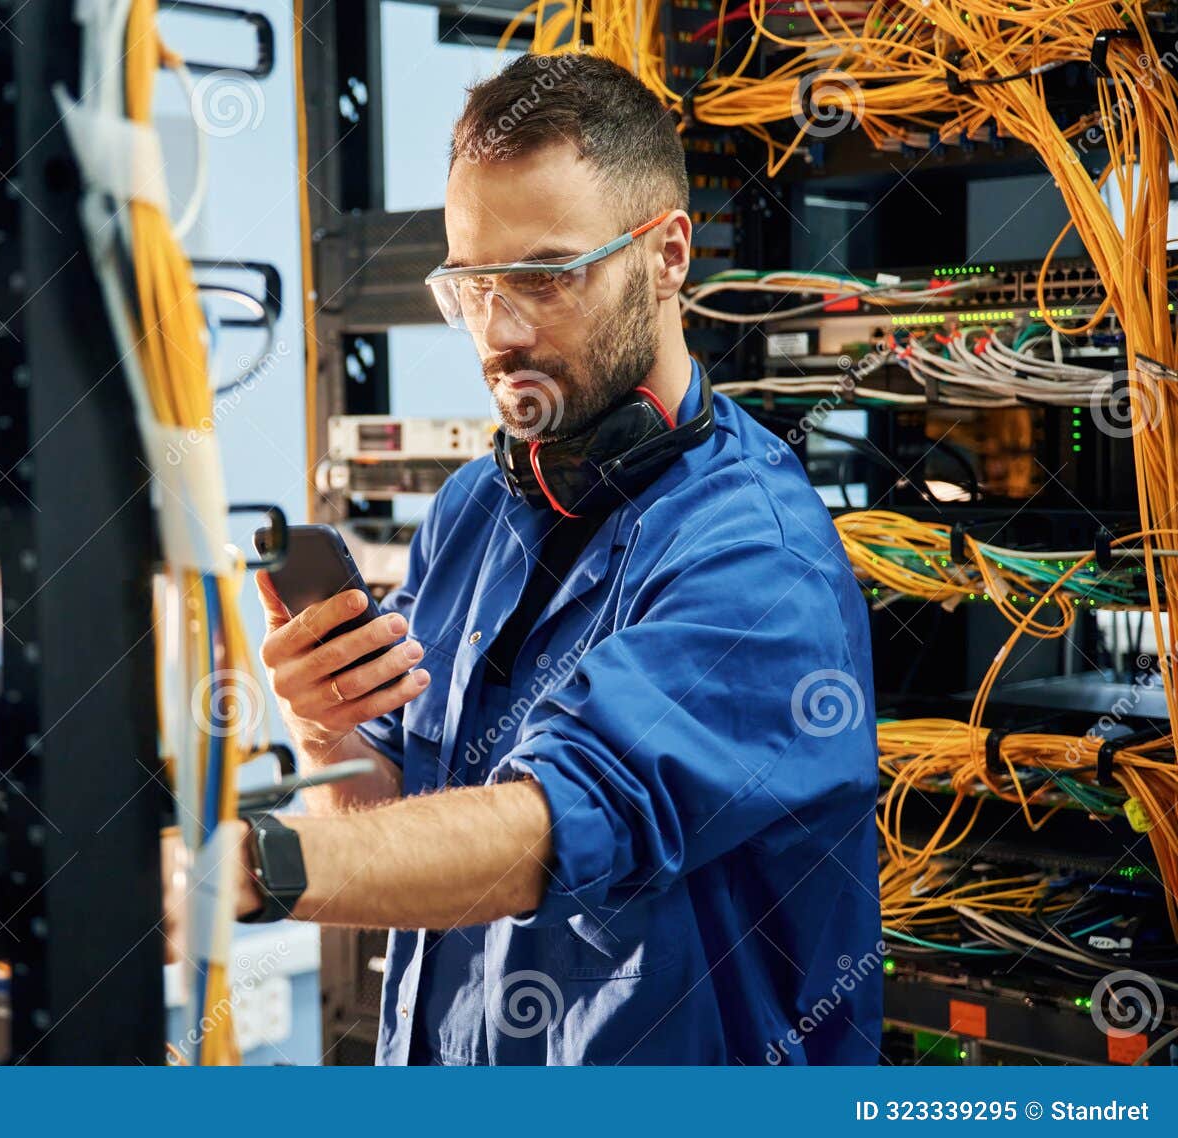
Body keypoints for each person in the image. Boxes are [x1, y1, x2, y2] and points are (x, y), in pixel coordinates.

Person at [217, 53, 881, 1065]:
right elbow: (387, 817)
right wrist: (327, 727)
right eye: (472, 285)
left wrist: (257, 864)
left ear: (667, 255)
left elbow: (547, 830)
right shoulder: (473, 509)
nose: (500, 331)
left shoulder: (760, 557)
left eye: (544, 276)